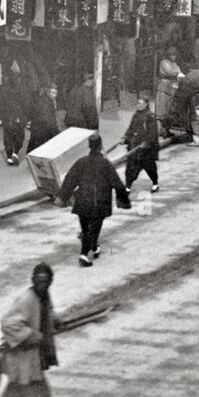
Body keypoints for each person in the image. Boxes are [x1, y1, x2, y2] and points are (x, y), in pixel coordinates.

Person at [0, 262, 60, 397]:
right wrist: (33, 335)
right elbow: (8, 324)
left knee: (18, 389)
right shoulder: (26, 299)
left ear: (50, 282)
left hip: (31, 357)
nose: (42, 285)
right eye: (39, 281)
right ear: (32, 280)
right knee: (38, 390)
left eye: (46, 282)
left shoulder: (44, 296)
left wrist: (54, 320)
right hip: (23, 357)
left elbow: (47, 312)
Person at [57, 133, 130, 267]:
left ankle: (94, 248)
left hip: (82, 201)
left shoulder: (81, 162)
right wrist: (124, 200)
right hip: (99, 203)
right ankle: (84, 254)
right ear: (101, 146)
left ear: (89, 147)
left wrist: (62, 196)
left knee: (86, 229)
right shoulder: (105, 164)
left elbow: (70, 179)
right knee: (93, 229)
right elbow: (117, 183)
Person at [122, 93, 160, 193]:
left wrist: (146, 143)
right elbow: (131, 128)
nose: (137, 105)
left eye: (139, 103)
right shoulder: (135, 115)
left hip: (146, 149)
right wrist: (125, 138)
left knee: (150, 167)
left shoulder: (150, 116)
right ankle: (127, 186)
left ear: (146, 104)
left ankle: (155, 184)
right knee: (130, 168)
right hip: (134, 146)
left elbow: (153, 132)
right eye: (137, 103)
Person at [27, 85, 60, 152]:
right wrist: (55, 129)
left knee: (35, 147)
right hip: (42, 129)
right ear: (48, 92)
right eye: (52, 93)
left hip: (38, 128)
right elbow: (47, 117)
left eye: (56, 93)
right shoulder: (47, 102)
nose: (54, 95)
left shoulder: (45, 99)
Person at [156, 47, 182, 119]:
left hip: (171, 86)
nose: (174, 57)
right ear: (168, 55)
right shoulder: (164, 62)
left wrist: (177, 72)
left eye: (175, 55)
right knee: (162, 106)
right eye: (172, 55)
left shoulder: (174, 64)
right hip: (164, 85)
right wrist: (176, 72)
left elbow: (179, 71)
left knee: (170, 105)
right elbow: (170, 72)